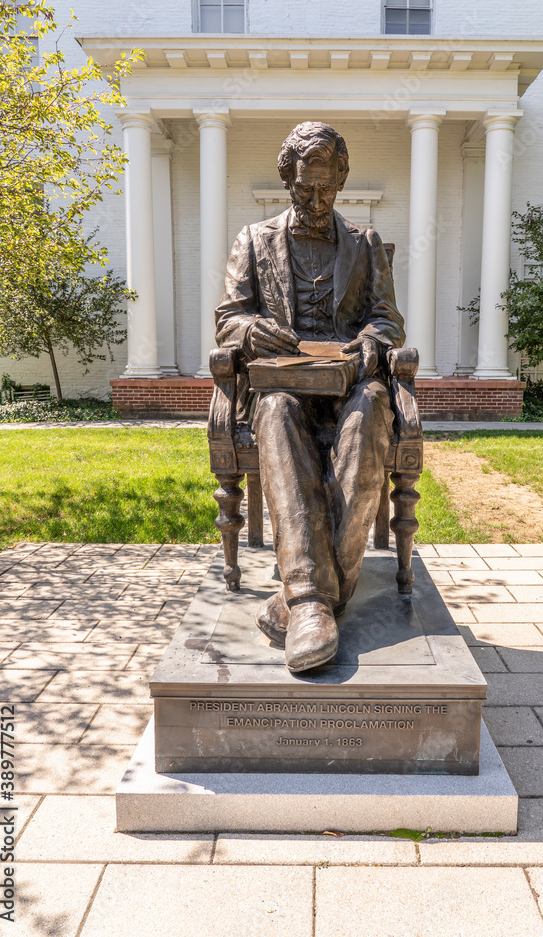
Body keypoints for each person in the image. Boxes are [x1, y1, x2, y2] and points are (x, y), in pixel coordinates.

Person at [215, 121, 405, 673]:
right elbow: (228, 320)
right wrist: (253, 332)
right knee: (274, 409)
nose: (316, 199)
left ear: (342, 180)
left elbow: (386, 320)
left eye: (326, 188)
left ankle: (304, 601)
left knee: (373, 409)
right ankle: (315, 596)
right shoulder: (254, 240)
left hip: (349, 387)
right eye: (304, 189)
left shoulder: (366, 243)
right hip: (282, 387)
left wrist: (365, 350)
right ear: (287, 180)